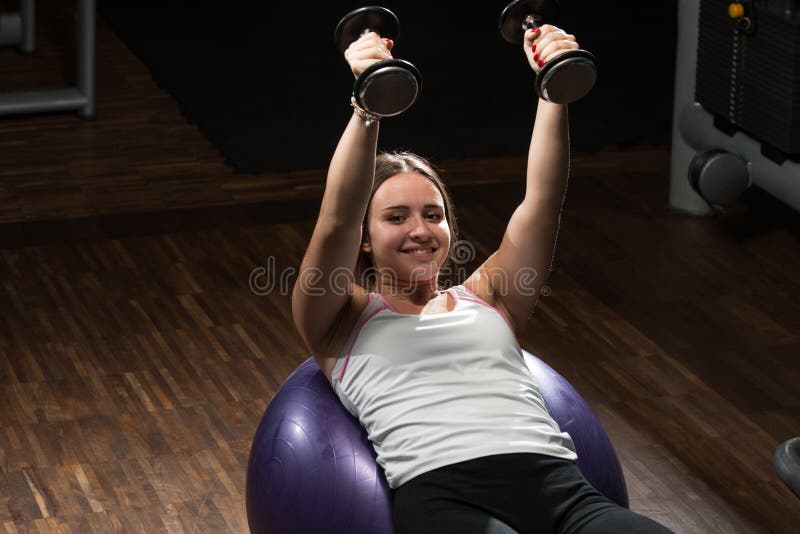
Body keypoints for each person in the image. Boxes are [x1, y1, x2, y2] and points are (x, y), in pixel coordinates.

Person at [291, 23, 672, 534]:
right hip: (448, 502)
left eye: (433, 213)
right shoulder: (338, 318)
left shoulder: (491, 296)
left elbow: (541, 203)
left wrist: (553, 91)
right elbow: (336, 217)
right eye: (396, 217)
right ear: (365, 237)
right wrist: (369, 106)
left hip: (559, 490)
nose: (420, 230)